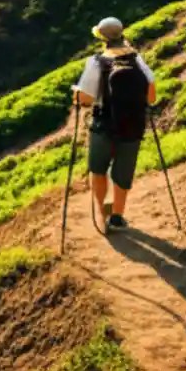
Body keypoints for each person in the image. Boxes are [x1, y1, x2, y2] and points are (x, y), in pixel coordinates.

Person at [72, 16, 156, 231]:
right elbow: (152, 95)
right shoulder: (136, 60)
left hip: (103, 125)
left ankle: (102, 214)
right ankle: (117, 216)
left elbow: (86, 99)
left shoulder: (97, 62)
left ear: (102, 38)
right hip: (132, 124)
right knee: (123, 172)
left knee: (98, 169)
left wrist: (77, 95)